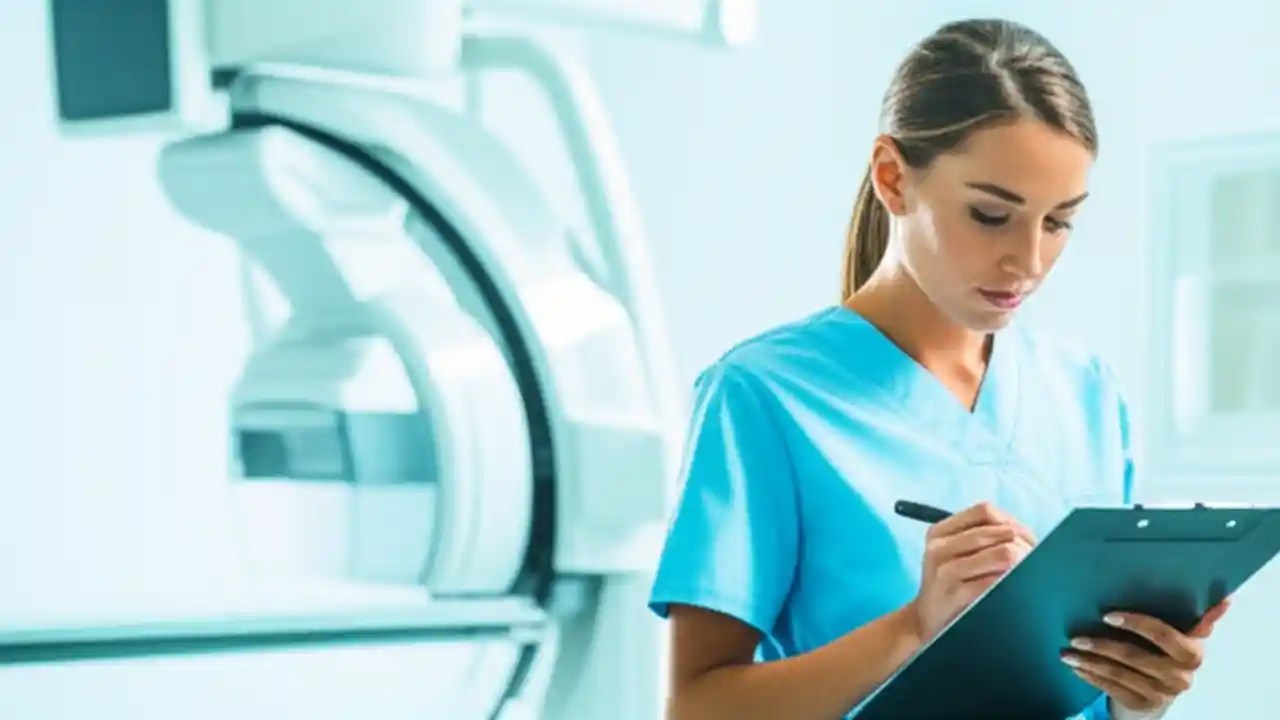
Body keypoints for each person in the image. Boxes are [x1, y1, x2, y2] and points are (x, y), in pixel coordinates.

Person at [646, 17, 1232, 720]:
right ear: (893, 178)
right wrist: (915, 625)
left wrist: (1142, 695)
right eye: (991, 215)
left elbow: (1090, 700)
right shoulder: (764, 397)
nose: (1029, 262)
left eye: (1059, 222)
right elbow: (696, 708)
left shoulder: (1087, 394)